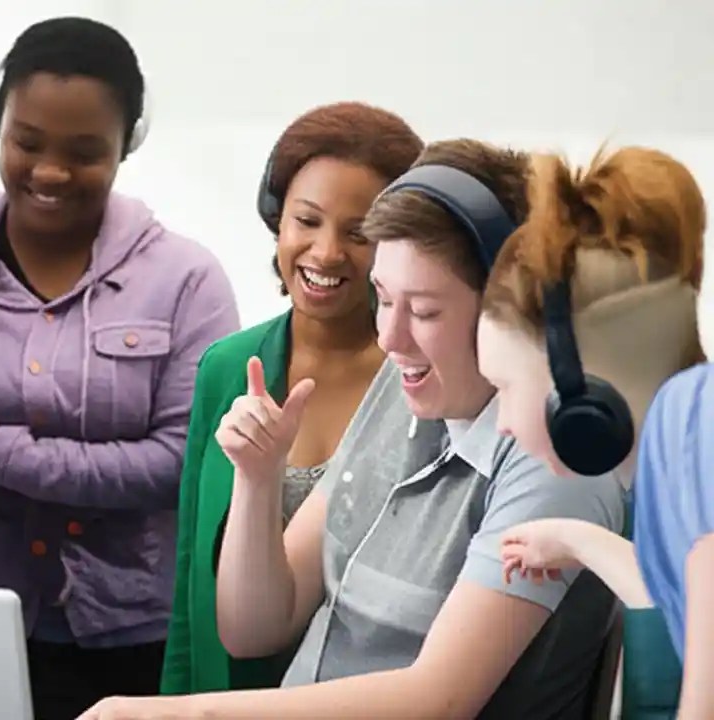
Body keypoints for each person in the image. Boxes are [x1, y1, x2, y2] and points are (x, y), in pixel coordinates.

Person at [76, 139, 626, 720]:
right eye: (384, 300)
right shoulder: (405, 384)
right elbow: (255, 629)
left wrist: (174, 715)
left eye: (425, 311)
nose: (390, 338)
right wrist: (258, 481)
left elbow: (436, 701)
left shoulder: (555, 466)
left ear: (518, 312)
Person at [0, 16, 239, 720]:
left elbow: (180, 463)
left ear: (127, 144)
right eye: (27, 142)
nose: (48, 171)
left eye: (84, 152)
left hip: (132, 633)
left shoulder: (189, 283)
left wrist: (1, 454)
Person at [159, 102, 423, 695]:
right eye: (307, 221)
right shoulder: (227, 367)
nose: (326, 253)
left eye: (359, 234)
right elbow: (189, 587)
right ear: (276, 220)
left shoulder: (421, 382)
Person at [476, 147, 707, 718]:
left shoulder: (690, 418)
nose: (501, 422)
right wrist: (575, 541)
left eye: (504, 387)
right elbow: (681, 594)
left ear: (576, 386)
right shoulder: (669, 452)